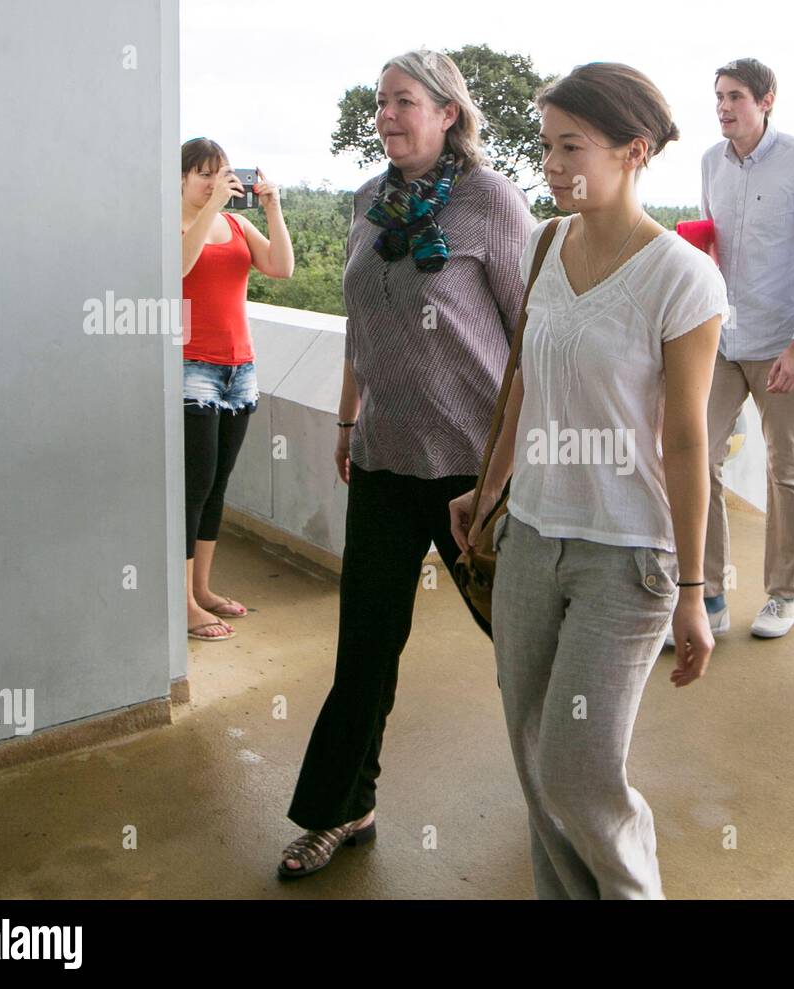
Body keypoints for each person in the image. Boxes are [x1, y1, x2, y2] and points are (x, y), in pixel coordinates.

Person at [450, 62, 729, 899]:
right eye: (546, 146)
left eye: (573, 146)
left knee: (580, 770)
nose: (553, 164)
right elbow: (526, 387)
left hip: (627, 557)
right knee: (534, 762)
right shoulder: (545, 244)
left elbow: (685, 440)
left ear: (634, 150)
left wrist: (692, 586)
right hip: (532, 536)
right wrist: (490, 489)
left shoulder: (682, 278)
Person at [278, 51, 534, 878]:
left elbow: (532, 330)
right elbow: (361, 326)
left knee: (520, 641)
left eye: (405, 101)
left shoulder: (489, 201)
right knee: (366, 642)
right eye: (381, 102)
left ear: (448, 112)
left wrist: (518, 456)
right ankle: (342, 807)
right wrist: (351, 420)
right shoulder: (365, 202)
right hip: (388, 456)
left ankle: (575, 798)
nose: (387, 115)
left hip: (475, 466)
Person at [693, 58, 794, 643]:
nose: (724, 107)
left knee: (786, 468)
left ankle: (783, 595)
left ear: (766, 99)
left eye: (735, 97)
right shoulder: (710, 162)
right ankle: (709, 593)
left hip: (783, 343)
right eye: (719, 97)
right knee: (694, 458)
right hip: (721, 342)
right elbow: (708, 249)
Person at [180, 138, 293, 641]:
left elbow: (281, 267)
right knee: (193, 487)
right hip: (191, 368)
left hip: (238, 368)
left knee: (218, 484)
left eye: (220, 173)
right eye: (202, 174)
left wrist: (271, 209)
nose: (213, 183)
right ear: (181, 179)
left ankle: (202, 590)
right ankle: (182, 602)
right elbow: (179, 267)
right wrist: (212, 208)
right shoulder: (177, 225)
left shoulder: (236, 224)